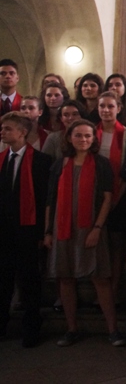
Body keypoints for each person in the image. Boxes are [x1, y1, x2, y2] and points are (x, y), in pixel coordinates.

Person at [44, 119, 126, 347]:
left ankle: (113, 329)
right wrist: (48, 231)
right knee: (66, 278)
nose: (83, 140)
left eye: (88, 136)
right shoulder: (60, 164)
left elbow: (108, 198)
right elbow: (51, 199)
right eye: (78, 135)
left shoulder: (101, 164)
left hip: (90, 228)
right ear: (69, 138)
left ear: (94, 139)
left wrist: (97, 228)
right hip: (63, 228)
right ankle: (72, 329)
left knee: (100, 278)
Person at [0, 113, 52, 348]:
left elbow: (44, 200)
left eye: (8, 128)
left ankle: (31, 328)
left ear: (22, 132)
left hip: (29, 230)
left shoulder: (41, 161)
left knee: (30, 280)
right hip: (4, 231)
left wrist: (42, 233)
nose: (3, 132)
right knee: (3, 280)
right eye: (2, 128)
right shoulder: (1, 158)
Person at [96, 92, 126, 308]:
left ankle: (115, 288)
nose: (106, 110)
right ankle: (101, 291)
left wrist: (116, 197)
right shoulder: (90, 132)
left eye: (110, 106)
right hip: (95, 196)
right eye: (102, 106)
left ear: (118, 108)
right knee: (100, 246)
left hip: (120, 196)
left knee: (117, 247)